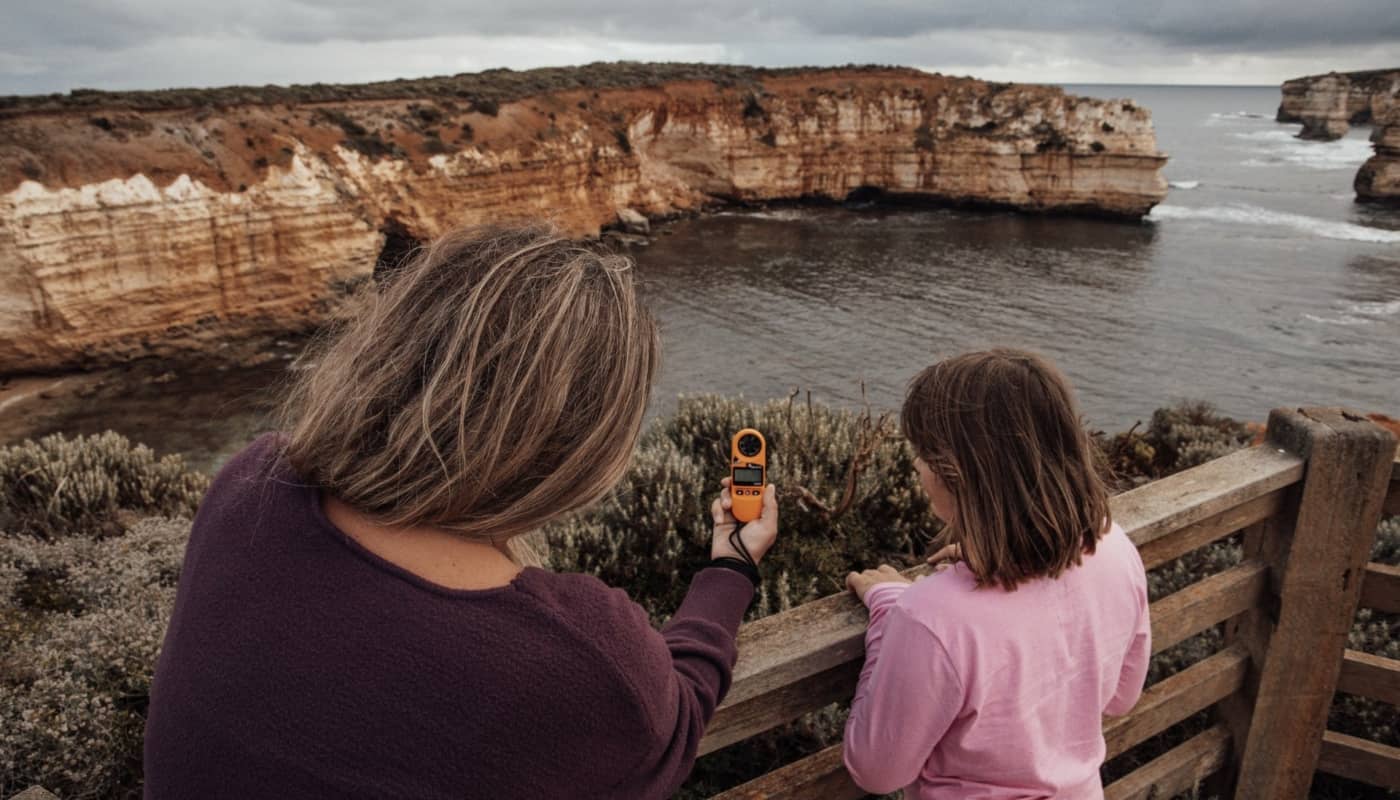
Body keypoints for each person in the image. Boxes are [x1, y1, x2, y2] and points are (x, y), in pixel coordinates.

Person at [144, 225, 779, 799]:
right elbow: (677, 718)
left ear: (391, 350)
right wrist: (731, 566)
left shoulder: (252, 481)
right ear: (584, 442)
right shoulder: (580, 660)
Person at [842, 349, 1150, 798]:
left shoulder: (931, 615)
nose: (917, 467)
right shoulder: (1115, 549)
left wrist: (891, 608)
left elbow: (877, 771)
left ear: (956, 474)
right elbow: (1121, 697)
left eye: (924, 455)